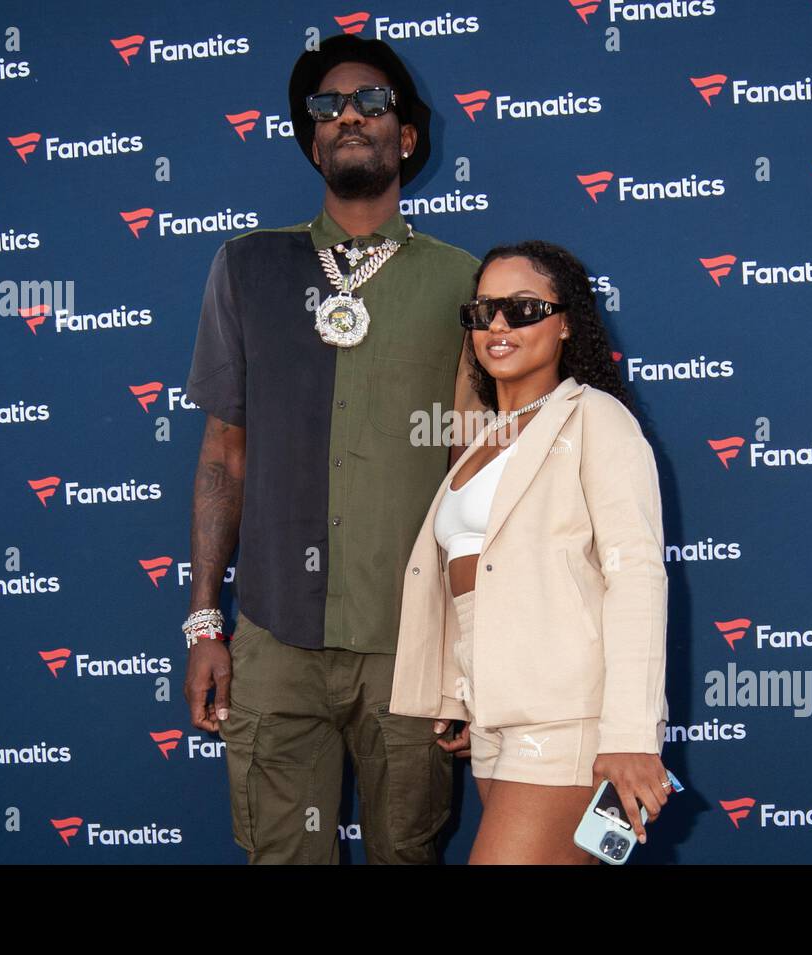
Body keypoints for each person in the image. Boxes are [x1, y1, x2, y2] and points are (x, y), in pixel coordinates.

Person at [180, 33, 484, 864]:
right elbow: (223, 454)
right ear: (312, 139)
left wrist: (471, 651)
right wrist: (207, 621)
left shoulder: (465, 284)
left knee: (406, 851)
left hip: (412, 647)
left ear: (408, 136)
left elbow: (483, 478)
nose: (349, 114)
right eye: (327, 107)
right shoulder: (246, 268)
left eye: (372, 102)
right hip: (275, 643)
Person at [390, 240, 672, 863]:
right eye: (482, 310)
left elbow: (637, 577)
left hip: (569, 720)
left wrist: (629, 733)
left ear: (567, 320)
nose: (496, 325)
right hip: (495, 720)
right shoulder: (481, 443)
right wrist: (466, 692)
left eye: (521, 309)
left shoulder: (596, 419)